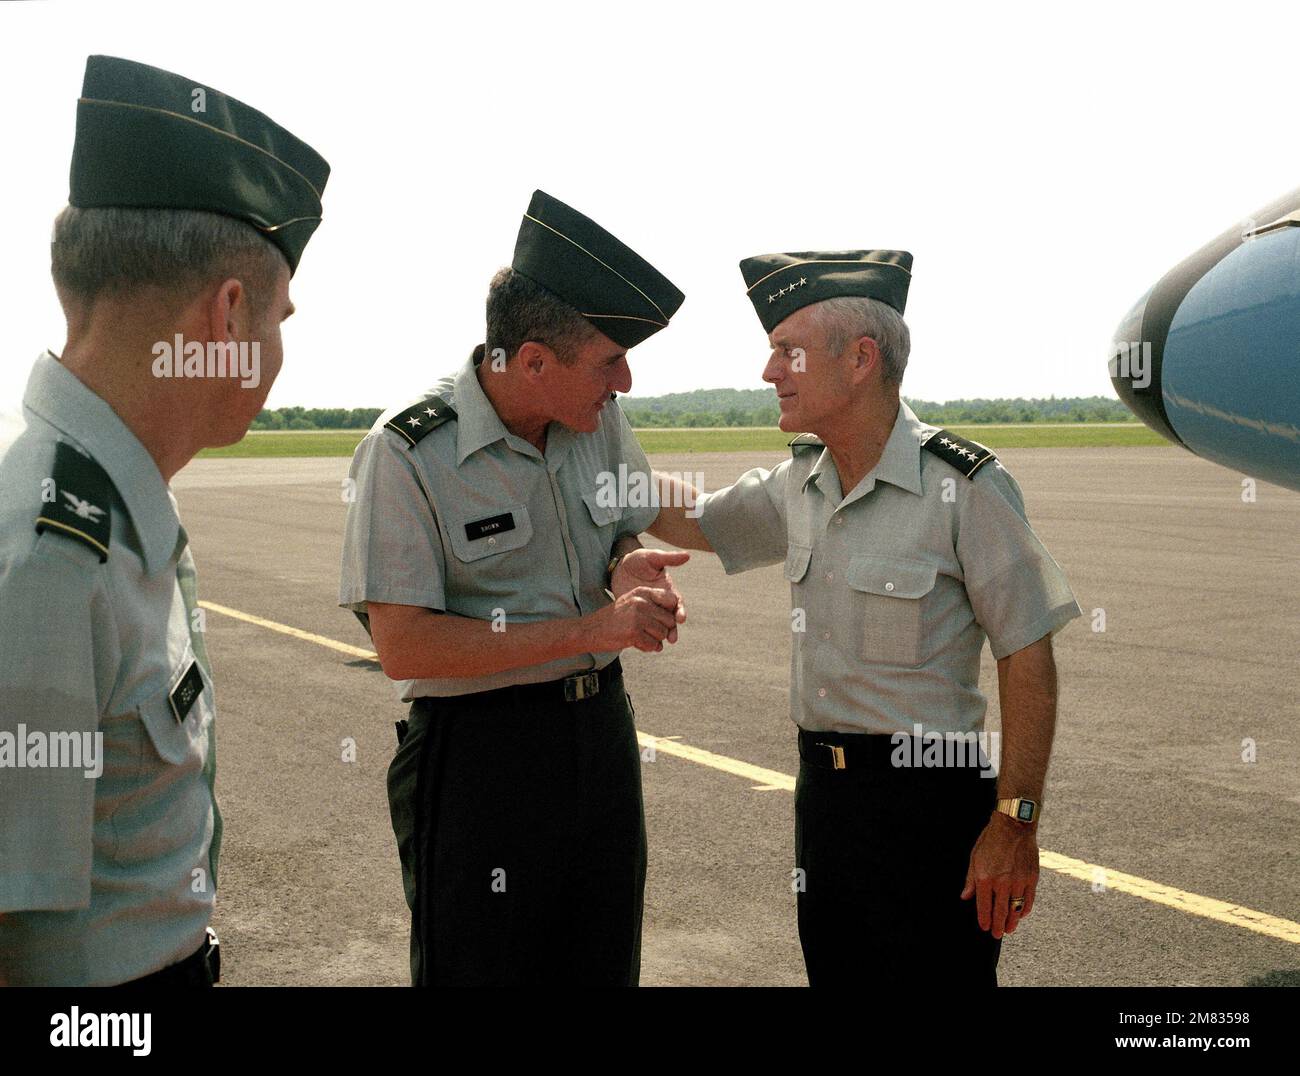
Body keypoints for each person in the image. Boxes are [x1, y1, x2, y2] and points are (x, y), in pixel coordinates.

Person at [649, 250, 1081, 987]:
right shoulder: (800, 481)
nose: (768, 371)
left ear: (859, 359)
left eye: (788, 350)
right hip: (827, 803)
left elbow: (1026, 651)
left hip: (932, 806)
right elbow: (693, 517)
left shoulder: (965, 486)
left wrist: (1014, 825)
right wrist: (585, 460)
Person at [0, 55, 329, 987]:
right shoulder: (48, 557)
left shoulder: (108, 497)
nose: (277, 353)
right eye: (280, 318)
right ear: (228, 317)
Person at [339, 190, 688, 987]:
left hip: (598, 741)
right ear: (533, 360)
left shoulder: (594, 421)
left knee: (602, 968)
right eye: (610, 361)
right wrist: (590, 630)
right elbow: (403, 646)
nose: (625, 381)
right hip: (480, 762)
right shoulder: (406, 454)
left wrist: (622, 564)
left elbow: (618, 523)